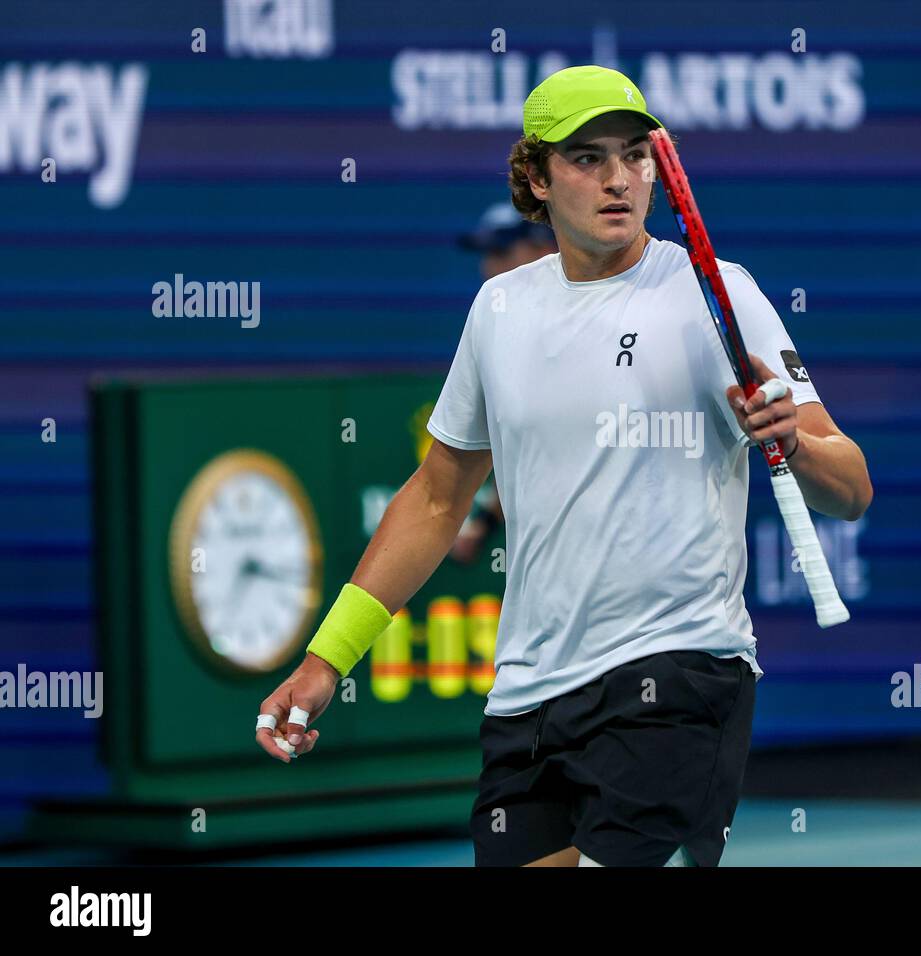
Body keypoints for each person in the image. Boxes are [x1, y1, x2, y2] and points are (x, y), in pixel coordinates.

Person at [254, 65, 873, 866]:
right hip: (531, 694)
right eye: (586, 158)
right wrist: (326, 659)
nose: (618, 178)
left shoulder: (716, 295)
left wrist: (791, 438)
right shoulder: (500, 312)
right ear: (536, 179)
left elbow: (850, 486)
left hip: (678, 670)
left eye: (633, 156)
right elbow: (438, 499)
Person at [448, 204, 558, 564]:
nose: (488, 268)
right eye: (485, 256)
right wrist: (484, 523)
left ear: (545, 250)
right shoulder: (503, 332)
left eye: (500, 253)